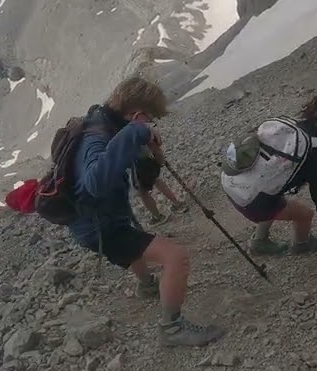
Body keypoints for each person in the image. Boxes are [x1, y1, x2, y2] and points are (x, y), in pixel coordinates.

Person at [68, 75, 224, 347]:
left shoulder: (105, 124)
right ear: (137, 114)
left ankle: (147, 285)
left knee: (135, 240)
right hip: (99, 227)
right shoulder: (99, 137)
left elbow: (145, 179)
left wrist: (150, 151)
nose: (150, 124)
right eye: (149, 119)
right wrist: (138, 131)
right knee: (176, 258)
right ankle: (171, 329)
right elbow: (94, 183)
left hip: (99, 221)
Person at [222, 89, 317, 260]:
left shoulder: (287, 126)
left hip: (230, 182)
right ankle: (302, 245)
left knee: (272, 189)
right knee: (305, 214)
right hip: (250, 203)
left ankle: (259, 241)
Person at [133, 146, 190, 225]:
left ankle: (157, 217)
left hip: (137, 163)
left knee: (142, 192)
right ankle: (177, 204)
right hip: (149, 156)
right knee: (156, 179)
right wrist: (158, 153)